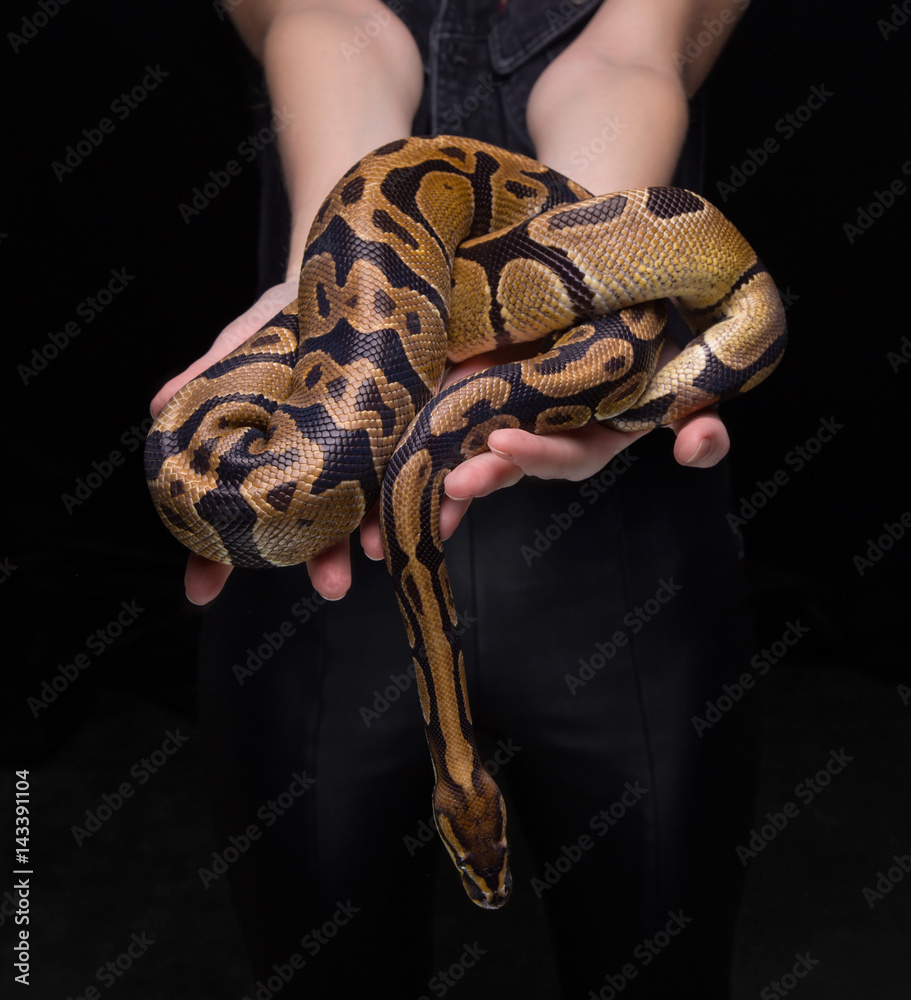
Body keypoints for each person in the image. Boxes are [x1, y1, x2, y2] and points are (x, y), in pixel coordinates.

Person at [150, 1, 759, 996]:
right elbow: (320, 16)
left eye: (483, 855)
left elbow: (633, 46)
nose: (490, 872)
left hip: (621, 531)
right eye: (488, 853)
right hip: (322, 529)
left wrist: (591, 274)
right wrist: (342, 273)